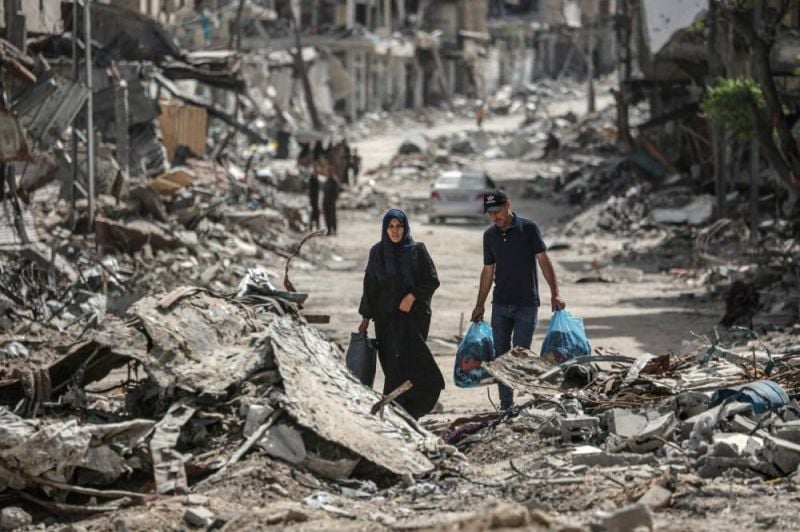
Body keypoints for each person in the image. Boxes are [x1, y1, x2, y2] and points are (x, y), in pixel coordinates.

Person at [470, 189, 565, 410]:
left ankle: (528, 402)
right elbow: (487, 271)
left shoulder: (529, 228)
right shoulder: (490, 236)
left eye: (497, 211)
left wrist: (555, 292)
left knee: (521, 354)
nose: (494, 217)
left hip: (526, 304)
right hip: (500, 304)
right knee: (500, 358)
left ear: (508, 205)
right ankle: (506, 405)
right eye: (489, 213)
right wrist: (479, 304)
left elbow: (543, 260)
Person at [358, 209, 444, 418]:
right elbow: (370, 286)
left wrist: (412, 296)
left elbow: (431, 280)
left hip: (413, 320)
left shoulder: (417, 251)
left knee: (414, 362)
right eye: (391, 227)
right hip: (385, 320)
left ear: (405, 228)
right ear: (385, 229)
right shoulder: (377, 252)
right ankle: (398, 410)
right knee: (391, 364)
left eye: (399, 226)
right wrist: (365, 319)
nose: (395, 231)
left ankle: (409, 410)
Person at [319, 157, 339, 235]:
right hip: (326, 201)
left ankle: (333, 230)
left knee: (332, 217)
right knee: (327, 217)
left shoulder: (333, 181)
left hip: (331, 202)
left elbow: (335, 193)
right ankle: (329, 230)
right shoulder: (327, 181)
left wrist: (333, 200)